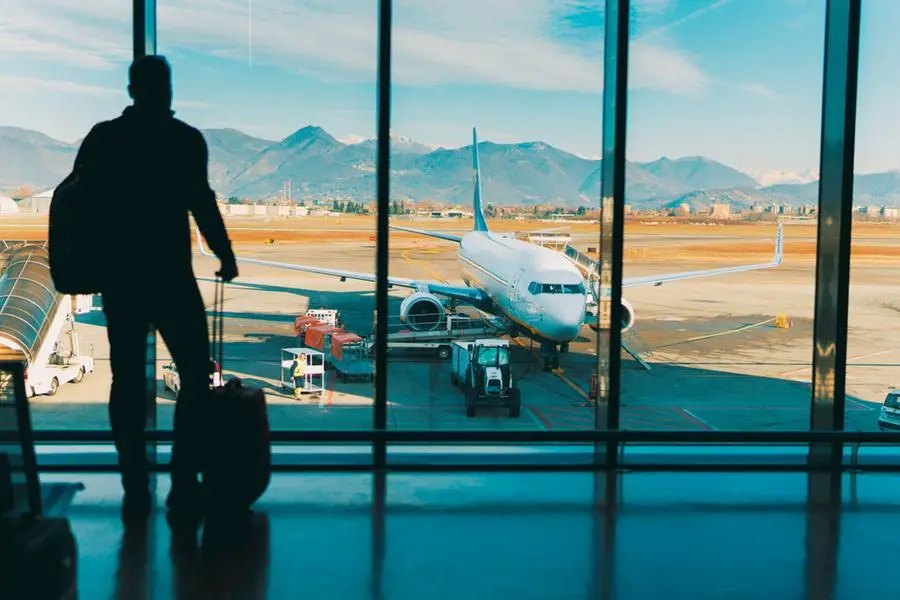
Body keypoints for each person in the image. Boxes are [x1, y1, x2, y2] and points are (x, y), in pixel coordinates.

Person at [72, 55, 238, 520]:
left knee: (125, 383)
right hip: (171, 278)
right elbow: (202, 203)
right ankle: (184, 485)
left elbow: (75, 204)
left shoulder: (103, 139)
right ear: (168, 90)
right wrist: (225, 255)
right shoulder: (184, 140)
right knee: (195, 378)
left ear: (131, 90)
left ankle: (134, 485)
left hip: (121, 280)